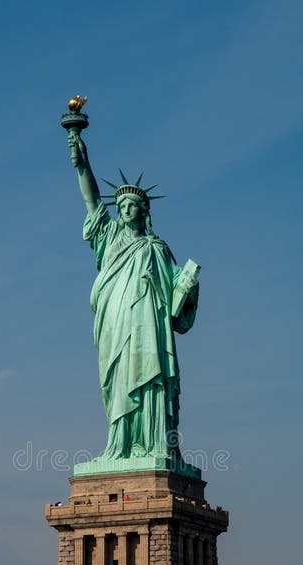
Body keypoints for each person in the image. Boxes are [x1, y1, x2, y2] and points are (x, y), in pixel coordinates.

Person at [67, 128, 199, 463]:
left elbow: (174, 299)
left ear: (144, 212)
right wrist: (82, 164)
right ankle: (120, 445)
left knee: (149, 376)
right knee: (118, 379)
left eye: (132, 206)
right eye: (122, 205)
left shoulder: (157, 248)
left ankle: (153, 444)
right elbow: (92, 201)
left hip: (147, 326)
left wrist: (188, 285)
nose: (125, 210)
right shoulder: (108, 237)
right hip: (114, 321)